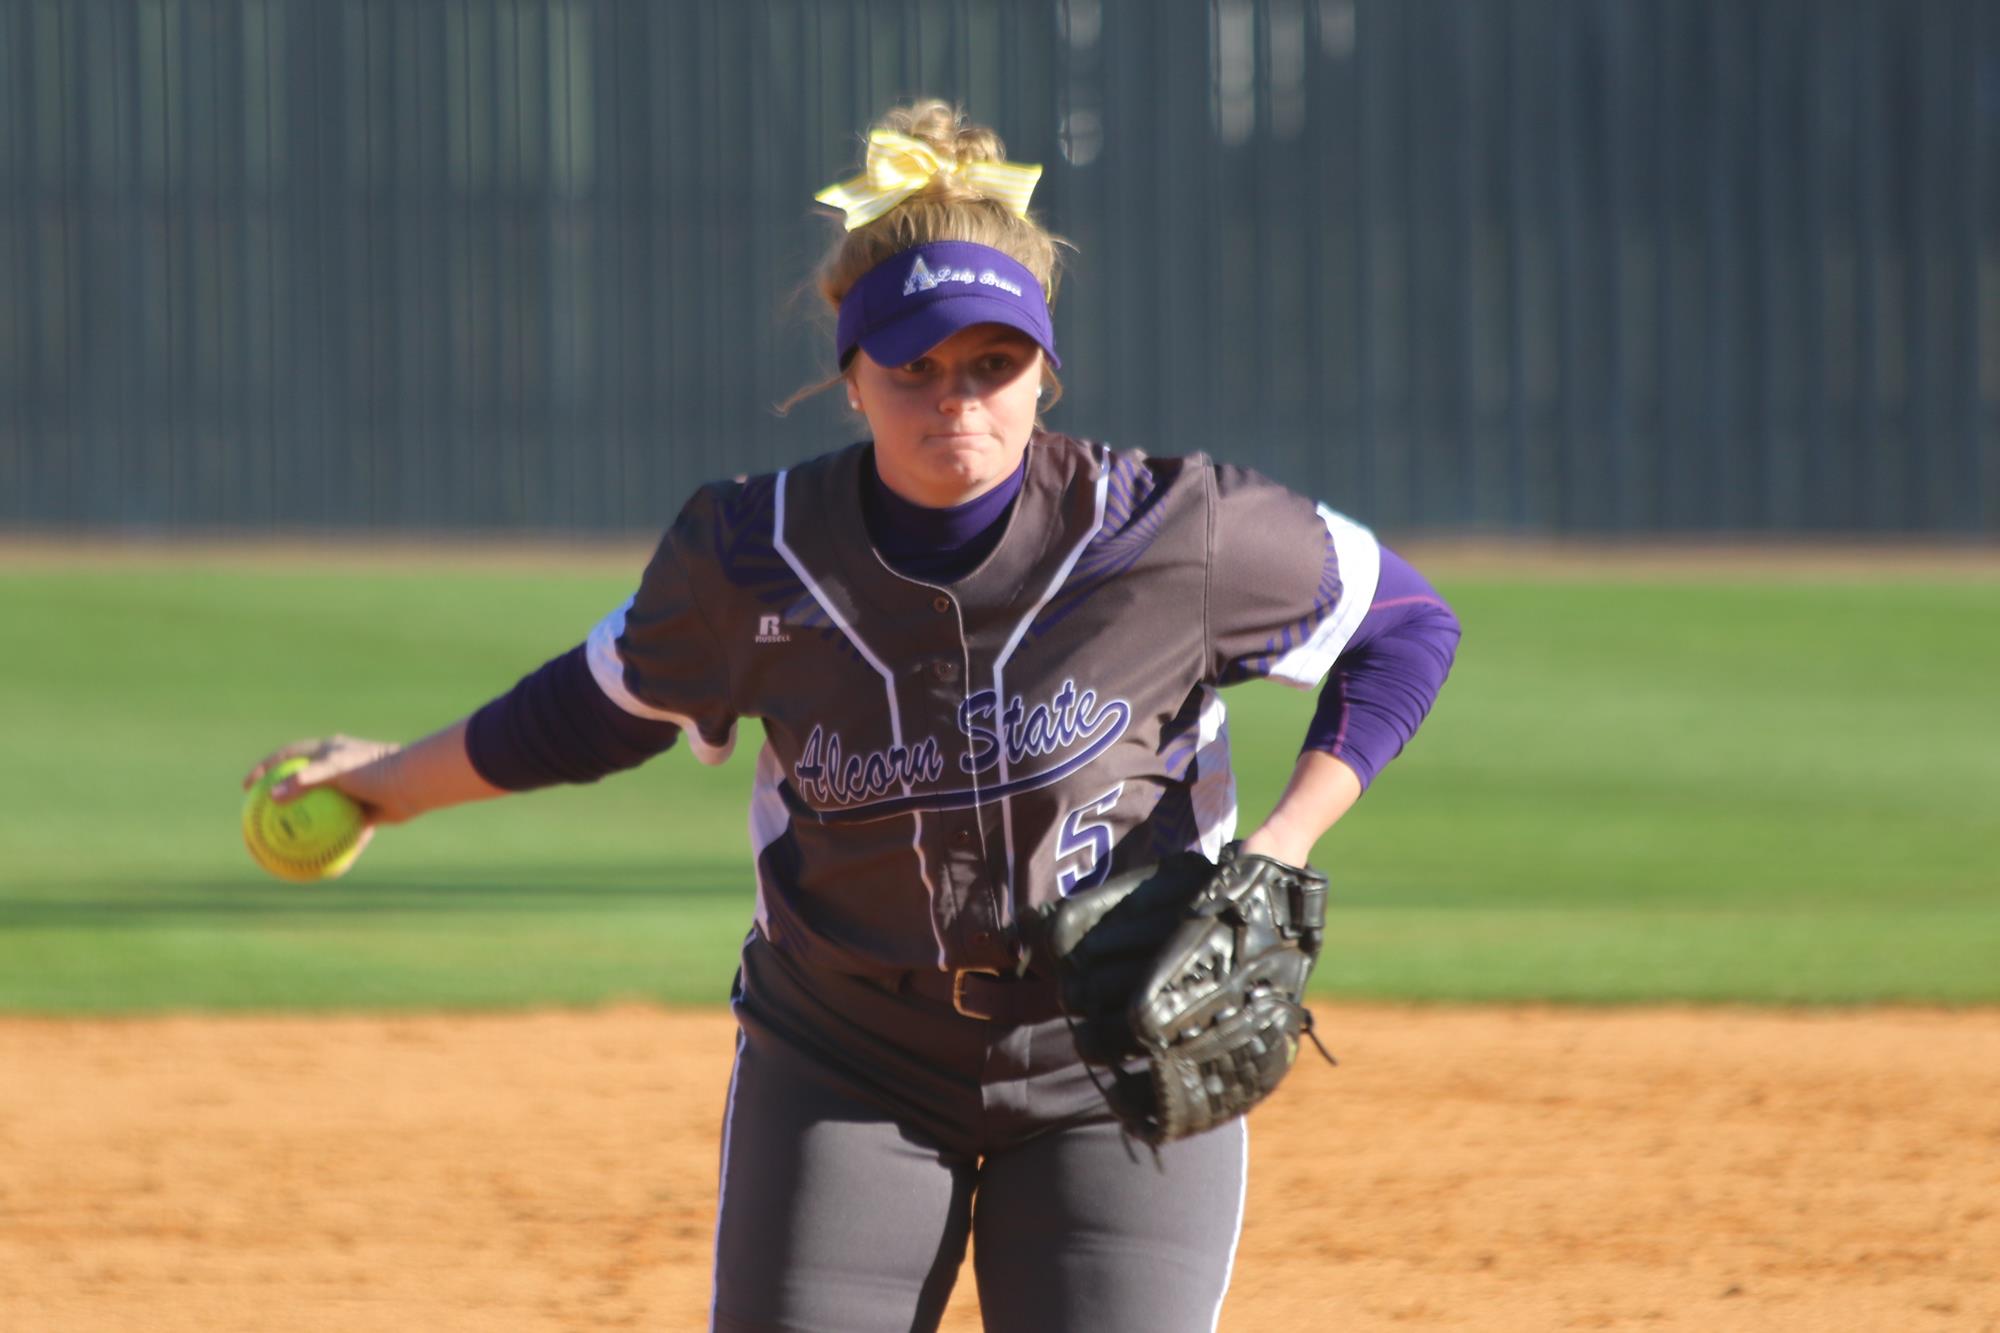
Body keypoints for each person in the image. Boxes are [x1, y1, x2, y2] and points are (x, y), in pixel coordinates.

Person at [244, 100, 1460, 1333]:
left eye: (992, 364)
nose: (956, 400)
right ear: (851, 372)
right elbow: (590, 711)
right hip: (845, 1061)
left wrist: (1283, 842)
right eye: (914, 366)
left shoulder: (1170, 530)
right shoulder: (748, 555)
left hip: (1116, 1048)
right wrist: (383, 786)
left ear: (1044, 368)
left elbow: (1406, 625)